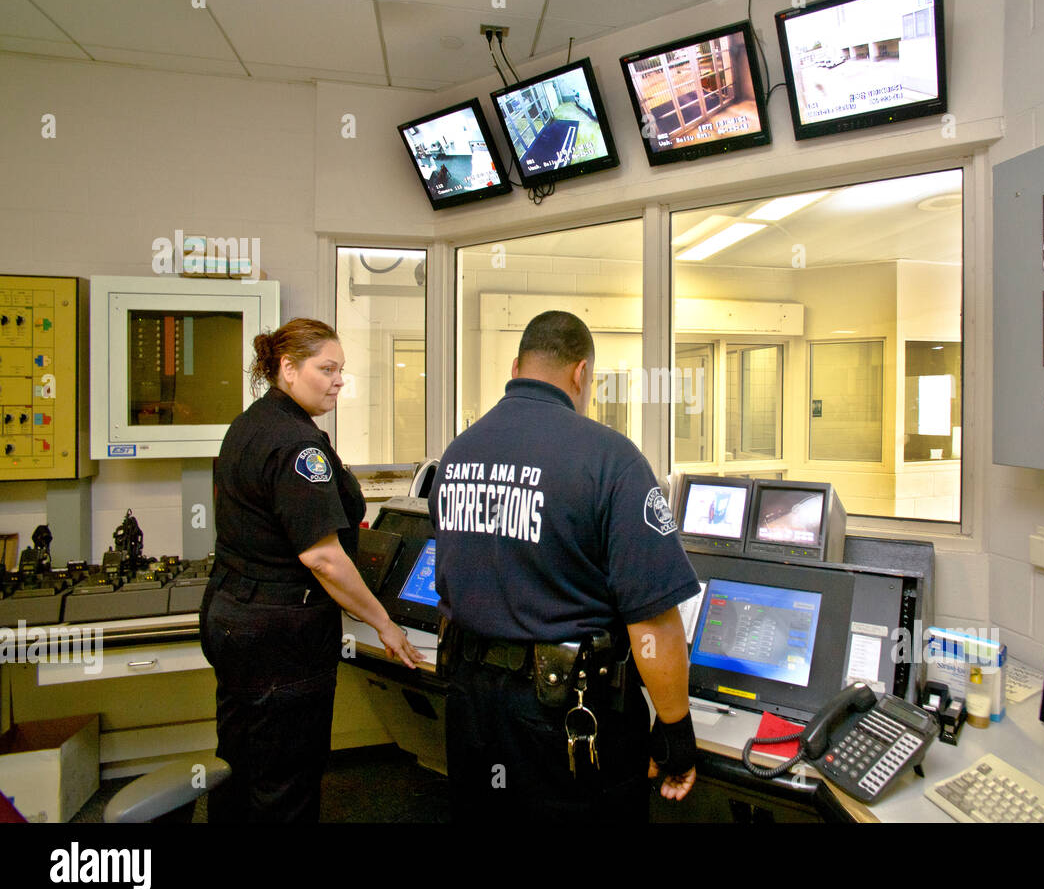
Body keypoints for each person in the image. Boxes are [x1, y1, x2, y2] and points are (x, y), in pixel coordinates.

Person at [430, 310, 700, 822]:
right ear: (581, 374)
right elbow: (653, 621)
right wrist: (675, 735)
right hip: (565, 716)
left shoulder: (458, 453)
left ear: (516, 367)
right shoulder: (610, 459)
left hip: (471, 705)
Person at [200, 318, 423, 822]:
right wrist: (384, 623)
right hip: (281, 639)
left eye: (341, 370)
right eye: (326, 369)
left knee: (241, 765)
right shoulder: (298, 446)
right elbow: (321, 557)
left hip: (234, 617)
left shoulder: (250, 423)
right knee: (287, 780)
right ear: (288, 367)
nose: (338, 381)